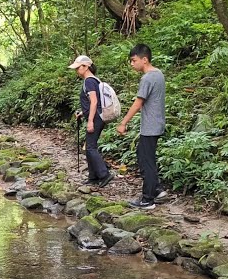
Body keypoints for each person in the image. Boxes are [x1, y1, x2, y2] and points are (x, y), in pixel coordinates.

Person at [116, 43, 167, 209]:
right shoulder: (159, 74)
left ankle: (147, 199)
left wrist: (123, 123)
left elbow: (138, 103)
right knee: (143, 155)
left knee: (147, 161)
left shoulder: (147, 78)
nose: (132, 64)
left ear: (144, 60)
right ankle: (157, 190)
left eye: (134, 60)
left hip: (151, 126)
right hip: (157, 123)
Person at [69, 55, 113, 187]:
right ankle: (93, 176)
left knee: (90, 147)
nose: (76, 70)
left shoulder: (89, 81)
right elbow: (94, 102)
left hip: (95, 118)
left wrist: (90, 121)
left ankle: (104, 174)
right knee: (89, 146)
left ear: (86, 66)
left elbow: (94, 102)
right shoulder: (94, 80)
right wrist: (83, 113)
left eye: (78, 67)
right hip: (97, 116)